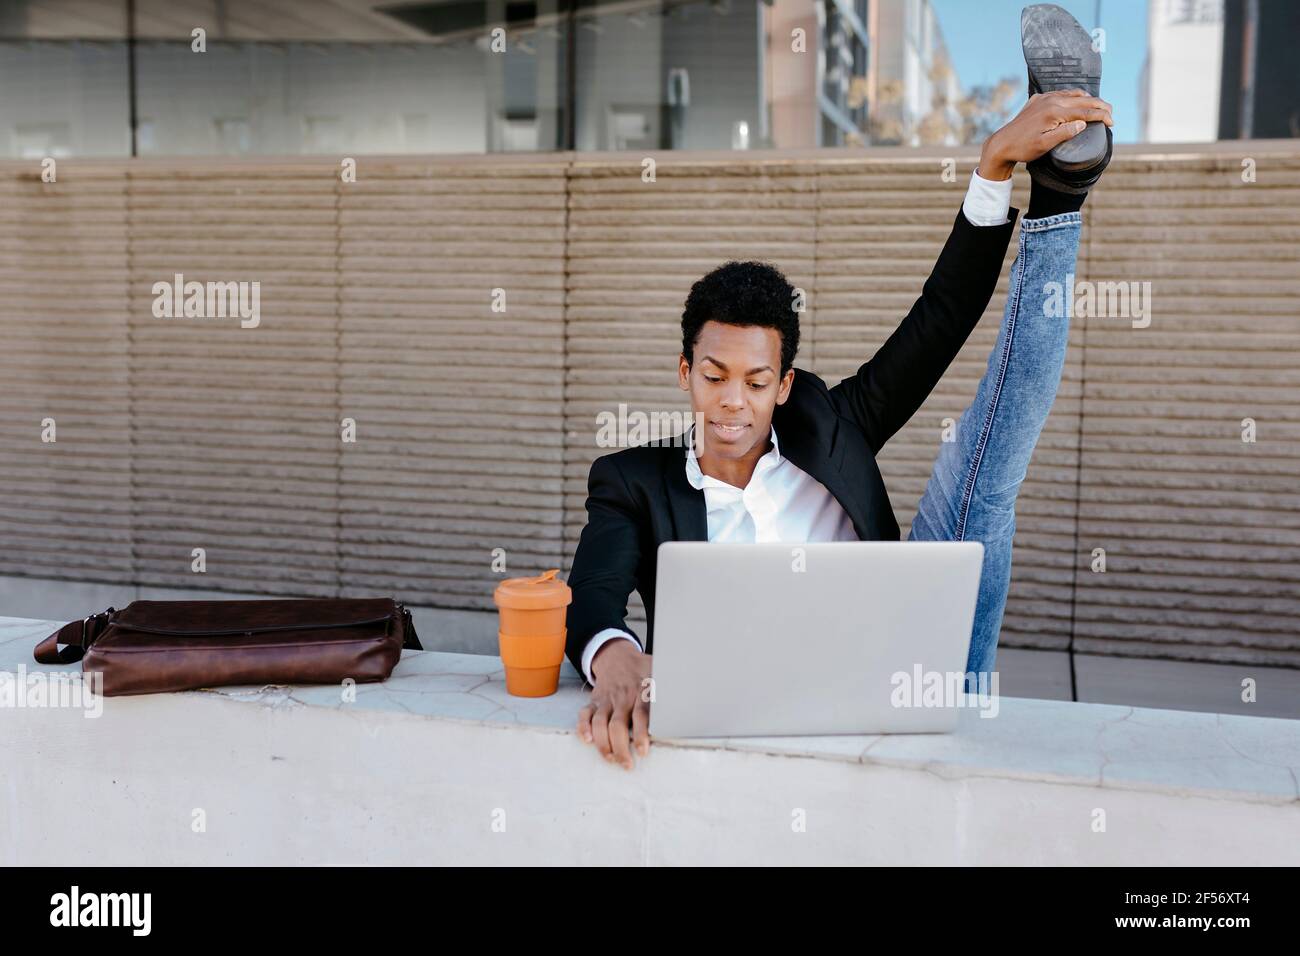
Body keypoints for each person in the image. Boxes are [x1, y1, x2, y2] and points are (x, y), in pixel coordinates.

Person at [566, 4, 1113, 768]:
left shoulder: (829, 424)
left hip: (904, 688)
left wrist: (991, 168)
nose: (732, 402)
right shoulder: (631, 481)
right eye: (715, 376)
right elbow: (591, 596)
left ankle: (1058, 198)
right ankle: (1060, 194)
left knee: (983, 467)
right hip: (739, 727)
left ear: (784, 384)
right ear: (686, 373)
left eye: (756, 381)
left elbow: (943, 318)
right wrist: (612, 653)